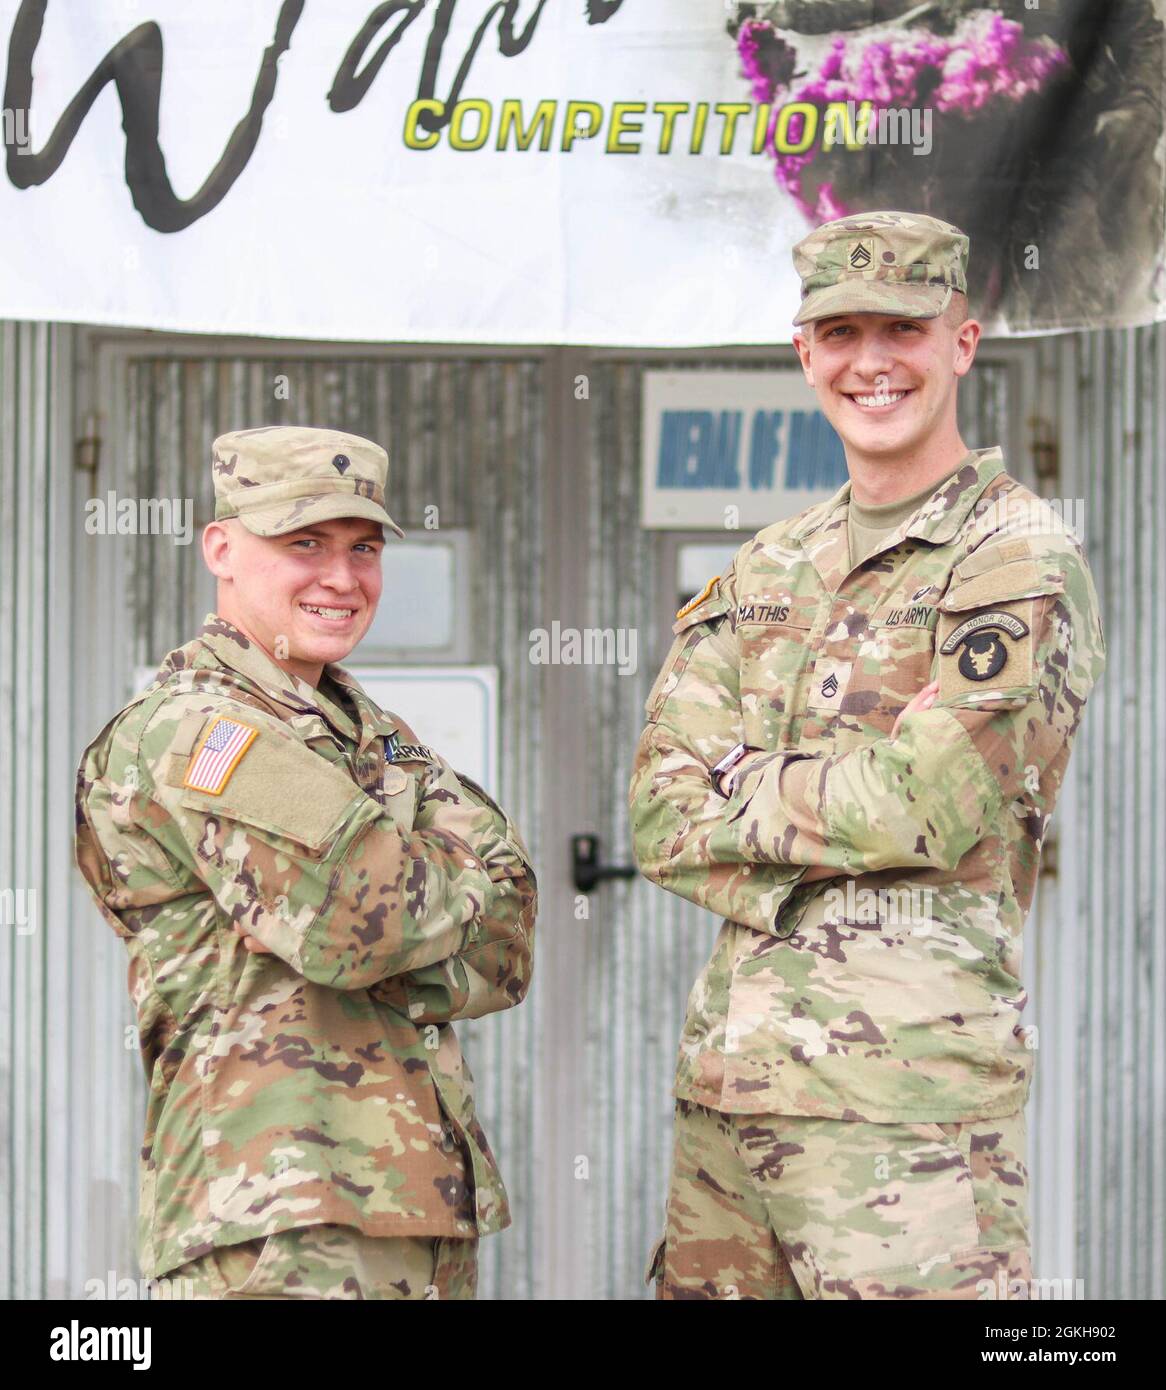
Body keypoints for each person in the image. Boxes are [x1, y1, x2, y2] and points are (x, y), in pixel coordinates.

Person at [628, 211, 1106, 1300]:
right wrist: (841, 794)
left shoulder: (1012, 556)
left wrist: (742, 780)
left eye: (902, 328)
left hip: (906, 1117)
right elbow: (658, 812)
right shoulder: (768, 564)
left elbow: (923, 806)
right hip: (728, 1099)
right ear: (805, 354)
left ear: (961, 342)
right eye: (841, 332)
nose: (870, 361)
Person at [74, 425, 536, 1300]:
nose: (342, 577)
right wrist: (432, 896)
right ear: (221, 548)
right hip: (276, 1219)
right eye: (305, 543)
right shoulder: (197, 730)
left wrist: (409, 905)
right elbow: (357, 924)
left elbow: (512, 938)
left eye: (364, 548)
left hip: (421, 1209)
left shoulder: (374, 733)